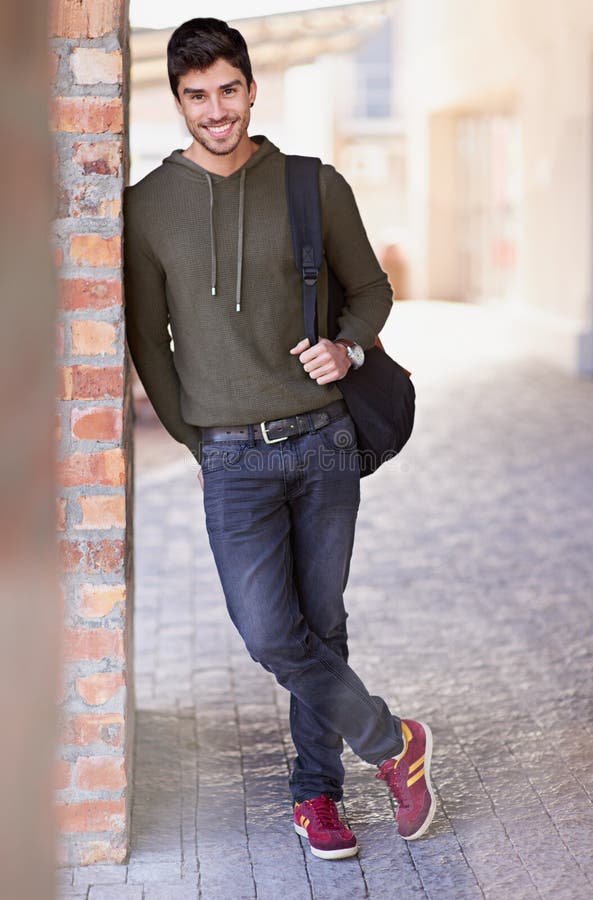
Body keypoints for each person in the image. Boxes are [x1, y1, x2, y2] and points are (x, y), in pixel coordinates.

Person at [124, 17, 436, 861]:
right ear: (178, 101)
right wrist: (198, 444)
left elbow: (371, 290)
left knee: (321, 625)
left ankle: (317, 795)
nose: (216, 110)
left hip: (322, 440)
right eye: (197, 95)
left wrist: (349, 348)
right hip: (231, 454)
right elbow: (148, 340)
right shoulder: (146, 208)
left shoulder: (310, 185)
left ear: (252, 89)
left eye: (228, 89)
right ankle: (393, 742)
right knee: (270, 632)